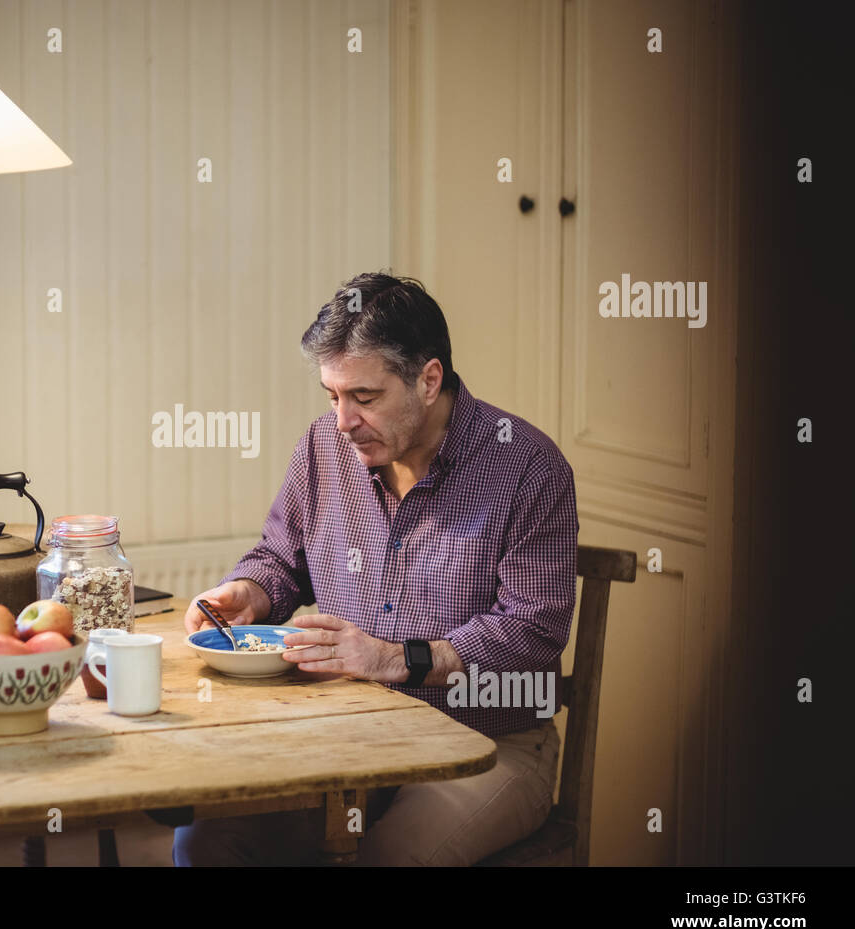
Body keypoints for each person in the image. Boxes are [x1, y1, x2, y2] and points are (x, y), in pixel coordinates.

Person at [174, 273, 578, 866]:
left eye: (364, 398)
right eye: (332, 396)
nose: (342, 420)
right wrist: (250, 592)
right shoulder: (324, 447)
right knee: (206, 840)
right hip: (354, 734)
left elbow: (532, 632)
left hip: (490, 742)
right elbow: (283, 558)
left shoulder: (527, 467)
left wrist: (395, 658)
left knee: (389, 857)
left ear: (428, 379)